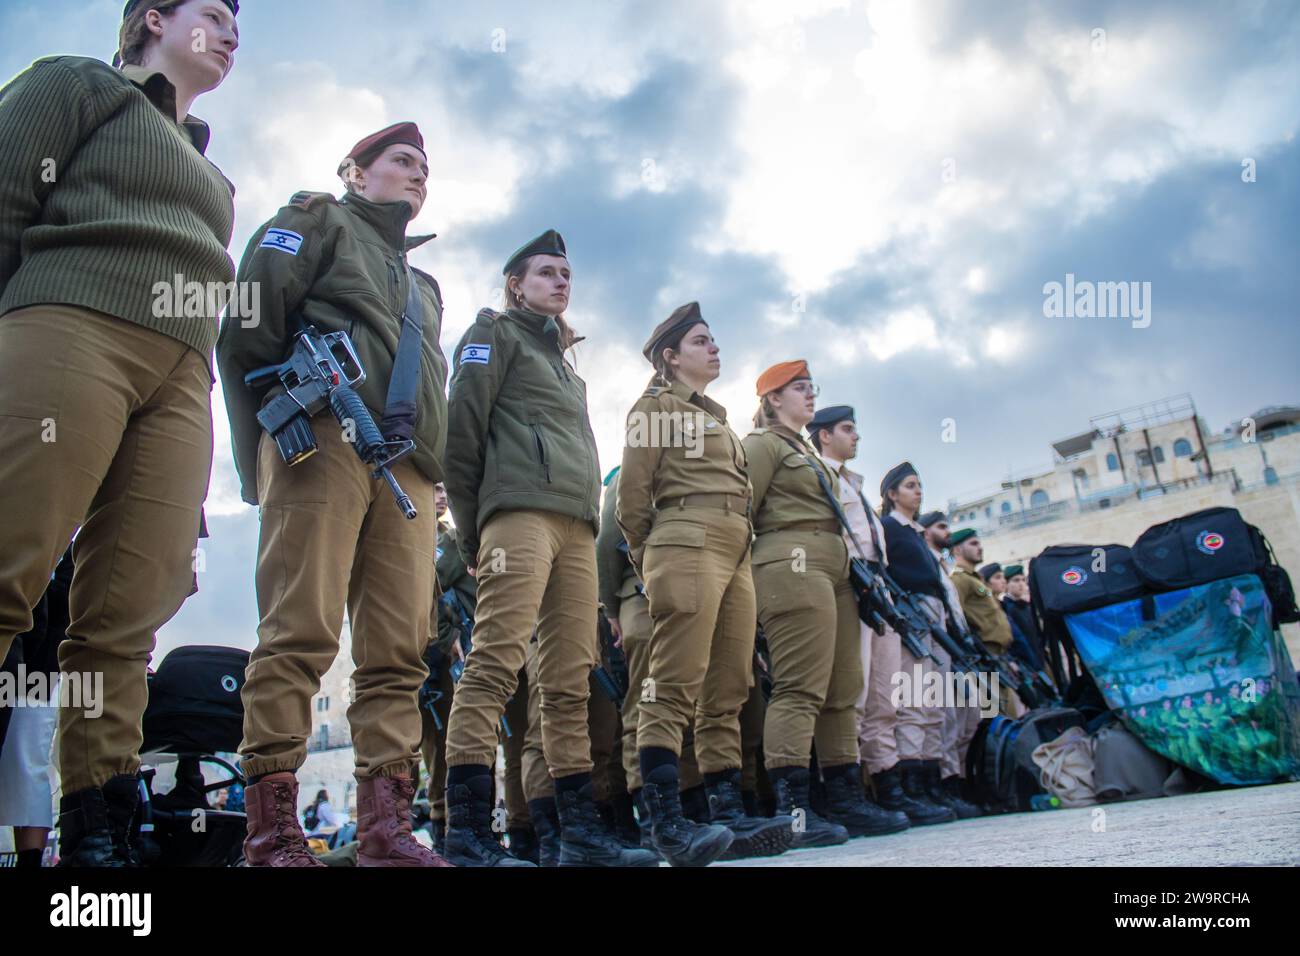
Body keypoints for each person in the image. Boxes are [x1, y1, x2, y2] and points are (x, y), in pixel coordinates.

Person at [0, 0, 240, 867]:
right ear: (150, 19)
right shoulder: (78, 84)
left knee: (123, 620)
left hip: (182, 373)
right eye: (215, 10)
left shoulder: (211, 173)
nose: (234, 27)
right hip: (71, 319)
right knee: (9, 567)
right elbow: (4, 193)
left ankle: (98, 837)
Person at [217, 121, 450, 867]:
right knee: (300, 629)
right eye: (402, 161)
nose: (418, 175)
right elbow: (248, 328)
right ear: (355, 171)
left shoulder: (425, 284)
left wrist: (435, 468)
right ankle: (273, 831)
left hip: (406, 468)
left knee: (397, 652)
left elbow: (431, 384)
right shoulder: (315, 219)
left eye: (424, 167)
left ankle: (386, 829)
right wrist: (270, 437)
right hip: (318, 436)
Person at [441, 230, 655, 868]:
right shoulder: (493, 335)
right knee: (495, 662)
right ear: (516, 285)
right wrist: (475, 533)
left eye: (566, 273)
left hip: (576, 528)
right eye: (546, 273)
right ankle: (469, 834)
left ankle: (579, 834)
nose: (562, 281)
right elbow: (461, 437)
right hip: (517, 517)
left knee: (567, 679)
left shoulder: (566, 362)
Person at [617, 304, 794, 866]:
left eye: (714, 339)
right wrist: (652, 560)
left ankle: (726, 812)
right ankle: (667, 823)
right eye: (700, 341)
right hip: (686, 541)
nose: (714, 348)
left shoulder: (719, 417)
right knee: (671, 683)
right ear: (671, 357)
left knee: (728, 687)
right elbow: (631, 501)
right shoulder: (654, 409)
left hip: (736, 551)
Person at [743, 361, 882, 848]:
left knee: (844, 685)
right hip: (789, 561)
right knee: (800, 686)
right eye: (798, 389)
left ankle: (843, 798)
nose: (809, 395)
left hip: (835, 568)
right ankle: (792, 809)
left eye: (810, 388)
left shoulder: (804, 451)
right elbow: (741, 511)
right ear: (772, 399)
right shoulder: (760, 445)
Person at [805, 404, 913, 835]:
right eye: (848, 429)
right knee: (854, 692)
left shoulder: (855, 484)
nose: (856, 437)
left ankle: (890, 790)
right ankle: (850, 795)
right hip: (851, 587)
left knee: (885, 696)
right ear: (824, 435)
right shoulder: (817, 474)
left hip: (877, 590)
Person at [877, 464, 959, 824]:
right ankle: (912, 789)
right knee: (914, 702)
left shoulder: (915, 533)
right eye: (910, 486)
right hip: (911, 617)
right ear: (892, 494)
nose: (918, 492)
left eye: (920, 486)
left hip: (933, 617)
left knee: (934, 707)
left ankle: (930, 785)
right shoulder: (890, 528)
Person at [949, 529, 1019, 717]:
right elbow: (956, 618)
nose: (979, 548)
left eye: (979, 543)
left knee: (1008, 715)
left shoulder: (974, 578)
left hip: (998, 657)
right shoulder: (959, 579)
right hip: (984, 656)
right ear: (956, 550)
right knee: (999, 719)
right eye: (973, 544)